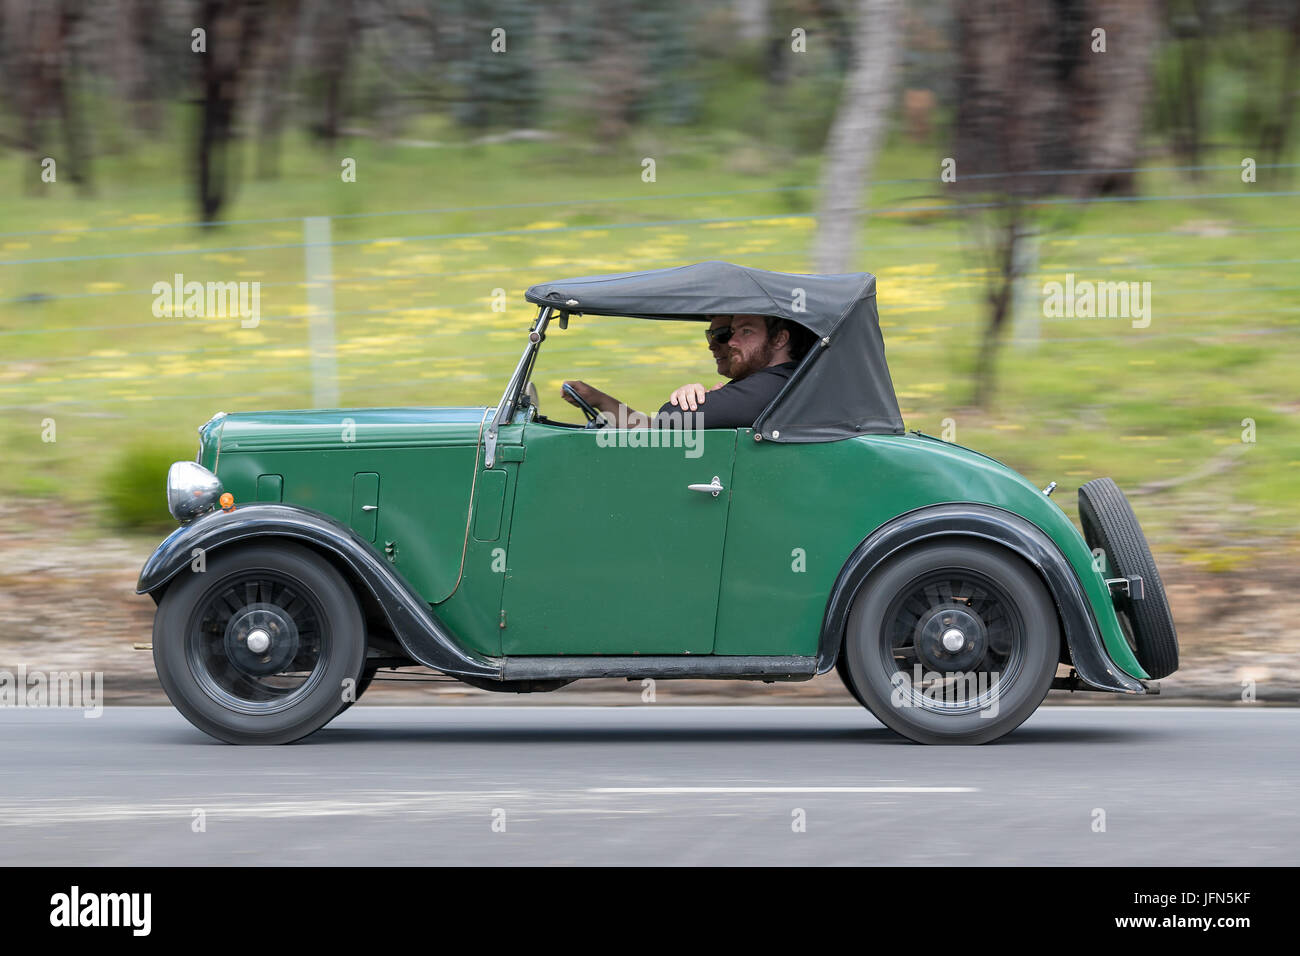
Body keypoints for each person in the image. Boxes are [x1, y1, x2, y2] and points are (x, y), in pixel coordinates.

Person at [562, 314, 814, 429]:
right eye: (732, 332)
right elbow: (656, 431)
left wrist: (697, 399)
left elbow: (668, 419)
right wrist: (600, 400)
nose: (731, 342)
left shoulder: (771, 387)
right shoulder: (781, 384)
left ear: (780, 339)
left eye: (745, 331)